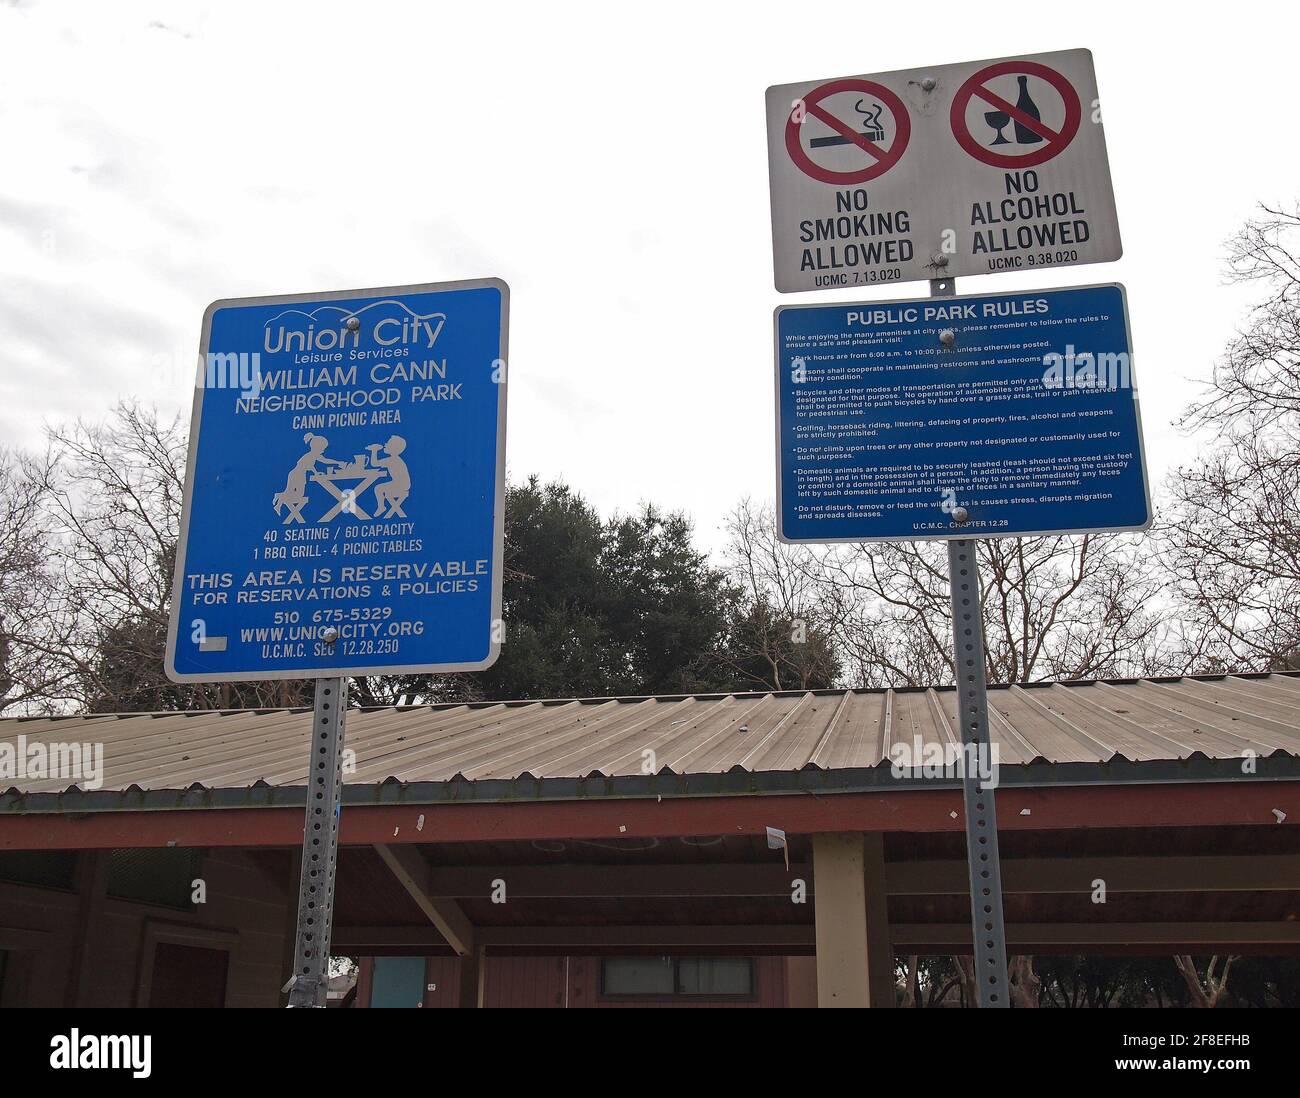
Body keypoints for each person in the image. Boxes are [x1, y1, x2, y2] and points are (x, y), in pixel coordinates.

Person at [273, 432, 344, 518]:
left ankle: (278, 499)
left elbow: (323, 461)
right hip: (296, 474)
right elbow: (308, 465)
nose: (323, 451)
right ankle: (279, 502)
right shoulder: (310, 455)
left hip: (299, 475)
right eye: (322, 448)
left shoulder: (314, 455)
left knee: (295, 494)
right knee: (294, 495)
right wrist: (316, 472)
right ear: (316, 447)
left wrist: (337, 463)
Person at [371, 434, 410, 518]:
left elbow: (374, 463)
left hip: (401, 484)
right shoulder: (394, 459)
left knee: (378, 488)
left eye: (388, 444)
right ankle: (383, 507)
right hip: (401, 483)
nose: (385, 444)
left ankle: (381, 507)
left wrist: (374, 450)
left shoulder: (392, 460)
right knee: (380, 488)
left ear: (394, 448)